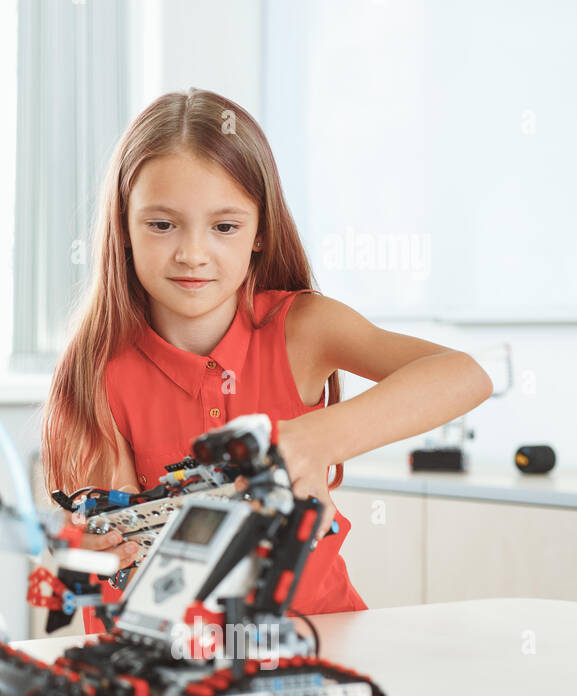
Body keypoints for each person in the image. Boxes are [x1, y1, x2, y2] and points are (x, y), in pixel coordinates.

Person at [40, 87, 492, 632]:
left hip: (326, 636)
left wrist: (315, 440)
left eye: (224, 226)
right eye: (162, 225)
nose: (192, 253)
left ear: (259, 232)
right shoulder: (99, 371)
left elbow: (465, 375)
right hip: (182, 662)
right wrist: (89, 559)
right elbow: (112, 569)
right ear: (125, 230)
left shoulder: (304, 328)